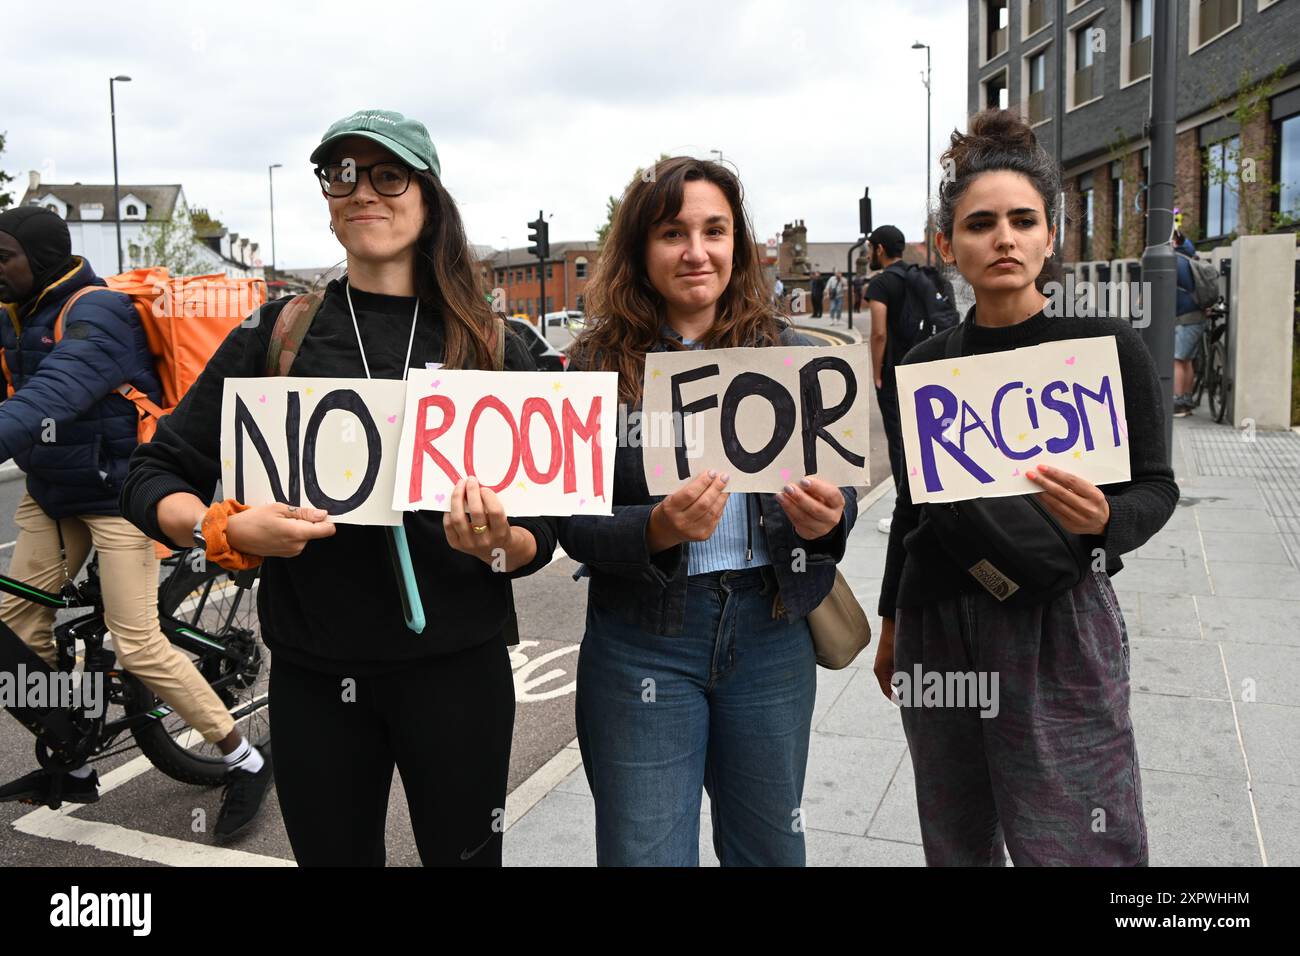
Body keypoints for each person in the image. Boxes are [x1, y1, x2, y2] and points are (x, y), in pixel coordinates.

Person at [119, 109, 557, 866]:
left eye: (388, 175)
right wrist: (222, 530)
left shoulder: (492, 343)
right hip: (316, 679)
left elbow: (547, 530)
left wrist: (502, 544)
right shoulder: (274, 336)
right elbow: (150, 476)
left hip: (459, 674)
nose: (363, 192)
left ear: (428, 196)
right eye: (341, 175)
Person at [871, 109, 1178, 866]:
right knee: (956, 838)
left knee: (1077, 842)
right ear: (949, 246)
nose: (1002, 238)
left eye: (1021, 220)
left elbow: (1157, 489)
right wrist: (891, 621)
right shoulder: (926, 365)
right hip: (939, 625)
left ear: (1049, 237)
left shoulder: (1107, 347)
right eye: (980, 224)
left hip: (1059, 623)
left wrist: (1109, 518)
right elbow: (915, 504)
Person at [559, 156, 858, 866]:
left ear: (738, 246)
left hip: (773, 630)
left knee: (771, 850)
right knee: (645, 854)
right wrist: (656, 528)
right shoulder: (591, 365)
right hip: (643, 638)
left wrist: (829, 519)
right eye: (672, 232)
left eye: (714, 230)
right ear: (639, 249)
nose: (696, 251)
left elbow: (837, 506)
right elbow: (568, 524)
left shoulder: (794, 356)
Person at [0, 207, 271, 837]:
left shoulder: (98, 313)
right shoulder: (14, 314)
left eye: (4, 256)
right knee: (15, 627)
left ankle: (244, 758)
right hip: (53, 489)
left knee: (138, 643)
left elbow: (50, 396)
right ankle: (71, 727)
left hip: (120, 490)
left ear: (38, 259)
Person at [863, 224, 910, 534]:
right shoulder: (917, 276)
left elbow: (879, 333)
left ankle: (903, 513)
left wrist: (876, 372)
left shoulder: (881, 284)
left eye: (870, 249)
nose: (869, 254)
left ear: (879, 249)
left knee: (898, 444)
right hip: (921, 369)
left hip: (894, 374)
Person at [1172, 232, 1206, 417]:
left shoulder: (1176, 261)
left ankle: (1178, 402)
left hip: (1185, 318)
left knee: (1177, 360)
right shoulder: (1191, 257)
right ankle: (1186, 399)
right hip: (1197, 316)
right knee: (1187, 360)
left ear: (1175, 242)